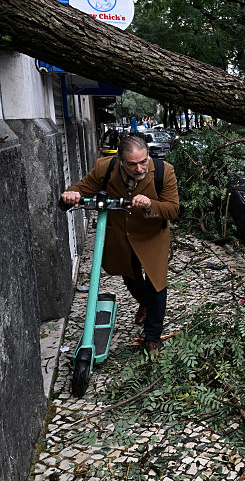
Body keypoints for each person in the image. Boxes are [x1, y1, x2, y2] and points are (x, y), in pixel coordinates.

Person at [59, 135, 180, 353]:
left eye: (143, 162)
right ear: (121, 161)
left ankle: (152, 337)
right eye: (132, 164)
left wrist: (150, 204)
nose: (139, 168)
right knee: (130, 275)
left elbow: (173, 209)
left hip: (152, 235)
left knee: (156, 284)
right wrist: (71, 194)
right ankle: (145, 303)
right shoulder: (105, 168)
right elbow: (82, 188)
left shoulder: (164, 171)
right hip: (121, 235)